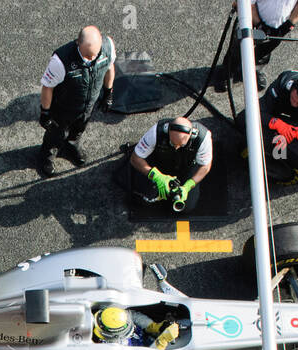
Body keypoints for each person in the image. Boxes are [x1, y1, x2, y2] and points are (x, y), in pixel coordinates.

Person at [37, 25, 116, 177]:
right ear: (78, 43)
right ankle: (47, 155)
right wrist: (45, 112)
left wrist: (108, 93)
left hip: (88, 105)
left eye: (94, 56)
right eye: (86, 56)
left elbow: (109, 67)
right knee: (56, 134)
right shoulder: (60, 60)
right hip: (63, 107)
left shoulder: (108, 47)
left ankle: (71, 144)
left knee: (79, 128)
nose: (90, 60)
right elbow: (47, 87)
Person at [241, 71, 298, 184]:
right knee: (242, 119)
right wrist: (276, 123)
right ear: (291, 88)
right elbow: (257, 111)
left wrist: (297, 132)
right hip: (276, 115)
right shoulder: (280, 86)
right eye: (293, 99)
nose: (294, 104)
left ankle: (279, 160)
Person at [213, 0, 298, 92]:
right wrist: (260, 25)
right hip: (251, 20)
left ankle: (255, 69)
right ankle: (228, 71)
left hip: (279, 26)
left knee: (265, 51)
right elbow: (247, 4)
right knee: (239, 48)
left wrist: (288, 25)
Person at [124, 116, 212, 213]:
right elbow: (135, 158)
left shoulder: (203, 138)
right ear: (167, 131)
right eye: (173, 143)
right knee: (145, 196)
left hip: (187, 167)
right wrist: (157, 177)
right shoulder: (155, 132)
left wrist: (188, 186)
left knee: (188, 207)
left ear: (193, 135)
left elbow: (205, 166)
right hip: (160, 164)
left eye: (181, 145)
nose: (177, 148)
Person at [93, 305, 180, 350]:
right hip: (147, 349)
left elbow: (132, 315)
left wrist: (153, 327)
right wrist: (162, 341)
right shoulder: (113, 349)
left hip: (143, 335)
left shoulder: (111, 314)